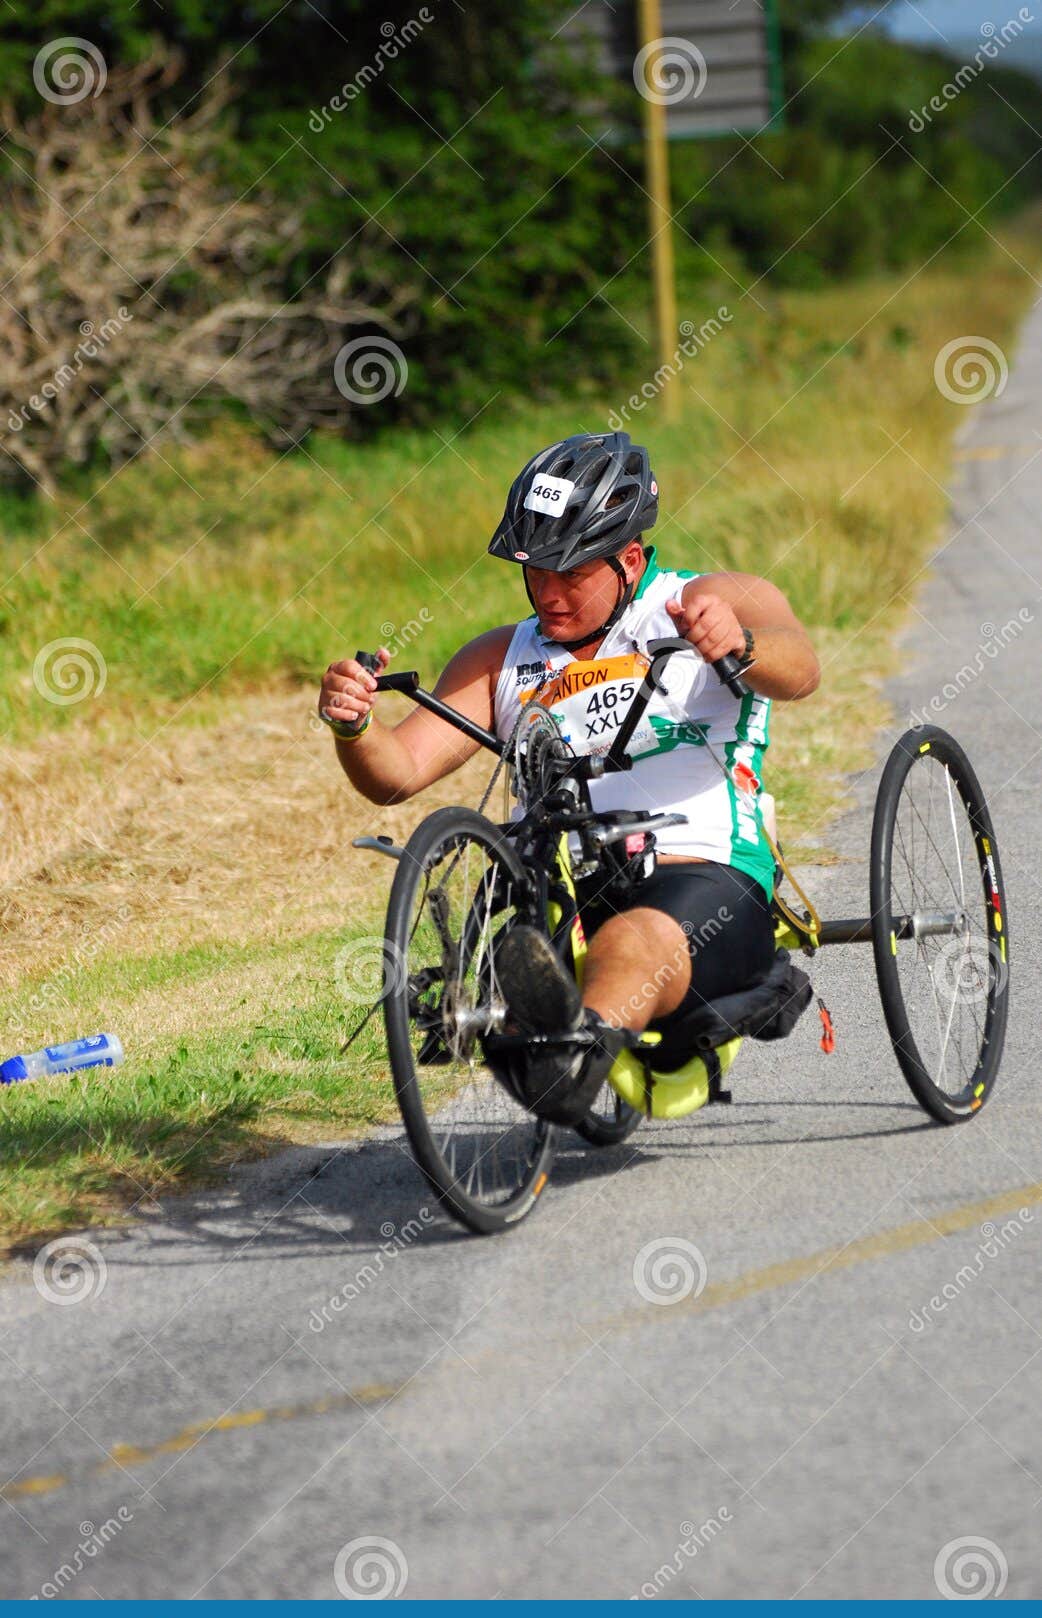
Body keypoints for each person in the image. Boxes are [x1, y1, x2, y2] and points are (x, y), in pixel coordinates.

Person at [319, 431, 820, 1124]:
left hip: (699, 873)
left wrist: (741, 642)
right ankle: (543, 1028)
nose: (549, 595)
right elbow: (395, 775)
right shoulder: (501, 657)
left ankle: (570, 1055)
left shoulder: (704, 600)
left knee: (631, 942)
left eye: (571, 574)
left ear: (630, 559)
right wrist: (353, 726)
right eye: (535, 573)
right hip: (560, 888)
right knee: (538, 943)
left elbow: (802, 671)